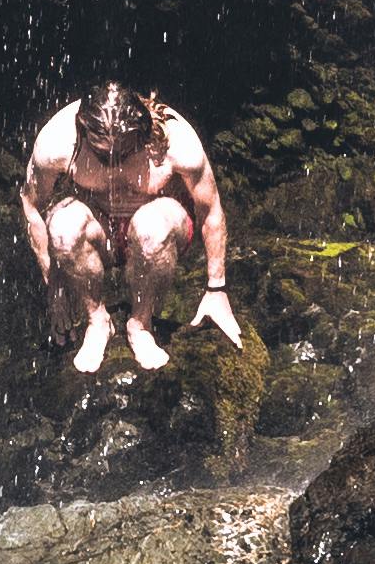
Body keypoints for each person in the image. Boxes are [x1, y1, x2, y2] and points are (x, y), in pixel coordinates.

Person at [20, 81, 240, 375]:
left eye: (124, 153)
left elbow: (211, 208)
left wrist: (216, 288)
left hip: (159, 232)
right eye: (102, 154)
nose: (113, 164)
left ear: (145, 133)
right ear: (83, 132)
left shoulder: (176, 142)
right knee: (62, 226)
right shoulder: (58, 142)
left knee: (151, 227)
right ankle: (98, 321)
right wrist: (54, 283)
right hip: (99, 229)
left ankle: (141, 323)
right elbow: (31, 204)